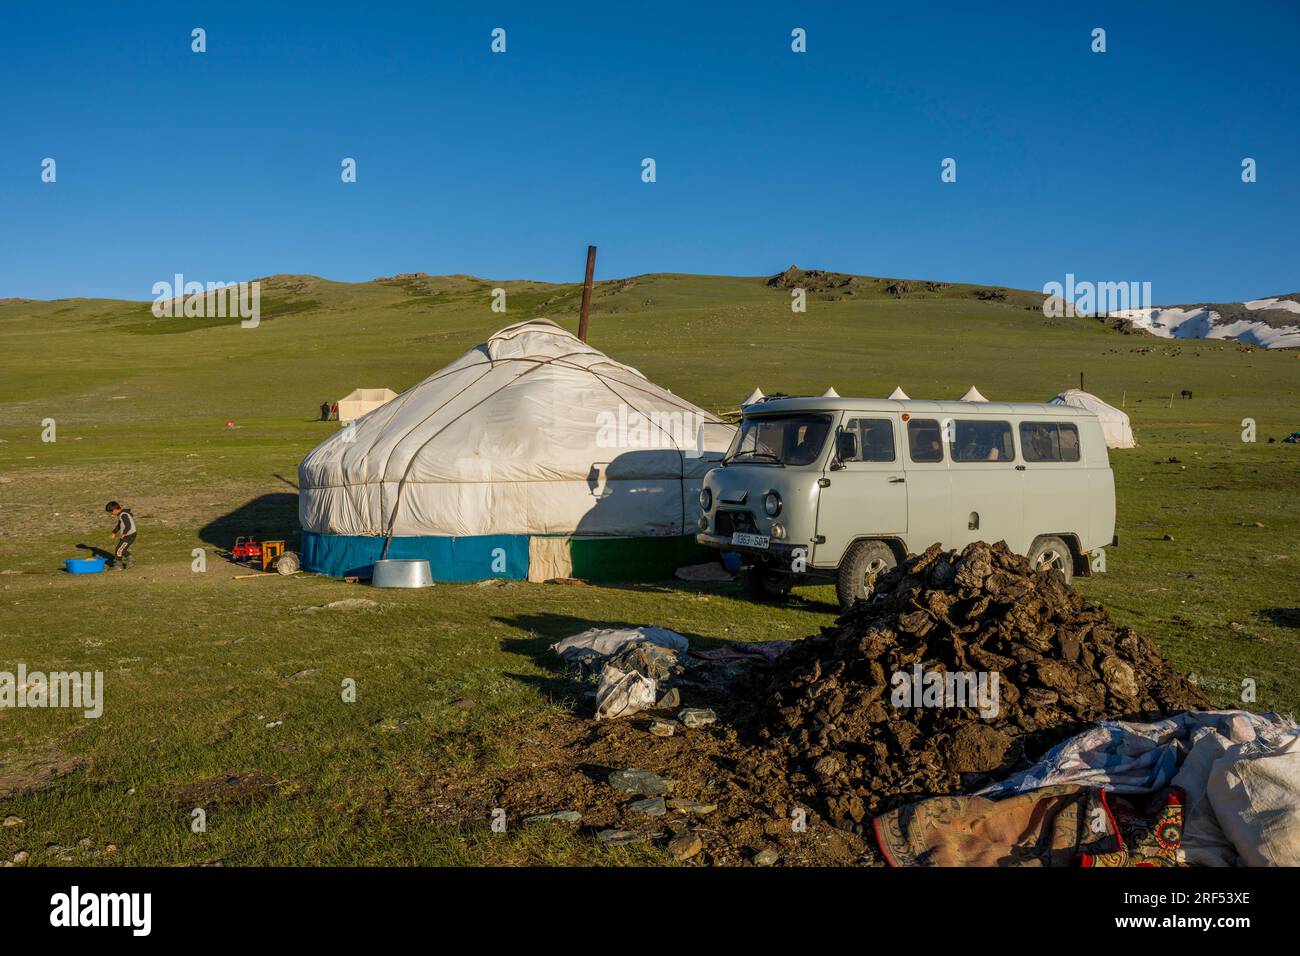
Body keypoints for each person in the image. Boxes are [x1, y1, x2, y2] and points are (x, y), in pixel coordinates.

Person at [105, 501, 137, 570]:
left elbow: (128, 525)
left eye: (111, 512)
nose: (111, 514)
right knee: (122, 549)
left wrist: (124, 533)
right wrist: (114, 532)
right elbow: (119, 525)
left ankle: (118, 565)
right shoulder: (122, 514)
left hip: (129, 535)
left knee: (118, 550)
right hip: (129, 535)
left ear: (115, 509)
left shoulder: (123, 515)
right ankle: (131, 560)